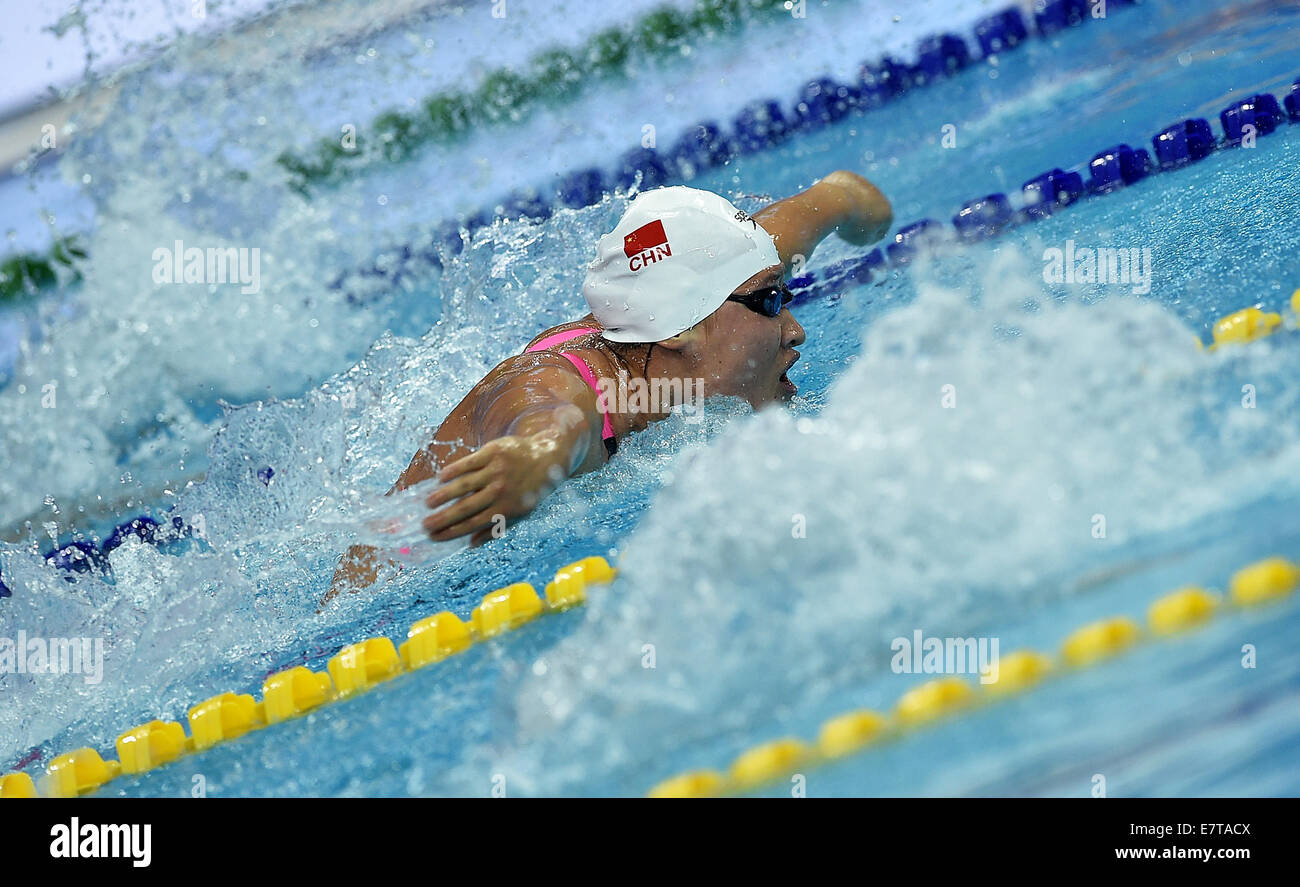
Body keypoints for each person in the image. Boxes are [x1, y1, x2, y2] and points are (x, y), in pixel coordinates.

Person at [323, 170, 891, 601]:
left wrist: (864, 216)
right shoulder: (560, 385)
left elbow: (842, 194)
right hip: (372, 619)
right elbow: (554, 420)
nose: (796, 330)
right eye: (772, 303)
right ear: (682, 330)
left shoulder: (730, 271)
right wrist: (536, 456)